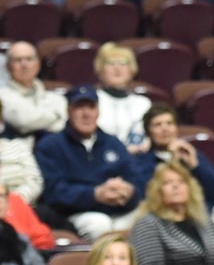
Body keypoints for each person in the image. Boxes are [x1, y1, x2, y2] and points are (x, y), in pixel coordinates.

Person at [36, 85, 155, 238]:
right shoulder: (51, 145)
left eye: (91, 107)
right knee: (99, 223)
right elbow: (53, 191)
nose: (86, 114)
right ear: (69, 111)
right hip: (77, 213)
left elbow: (137, 177)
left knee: (148, 218)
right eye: (80, 108)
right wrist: (94, 194)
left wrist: (129, 190)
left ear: (98, 111)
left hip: (118, 210)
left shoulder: (113, 142)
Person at [0, 41, 67, 136]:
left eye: (29, 59)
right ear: (8, 66)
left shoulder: (56, 98)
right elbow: (23, 121)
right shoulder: (1, 96)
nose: (24, 65)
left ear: (38, 64)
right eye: (18, 60)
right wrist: (56, 115)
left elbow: (66, 125)